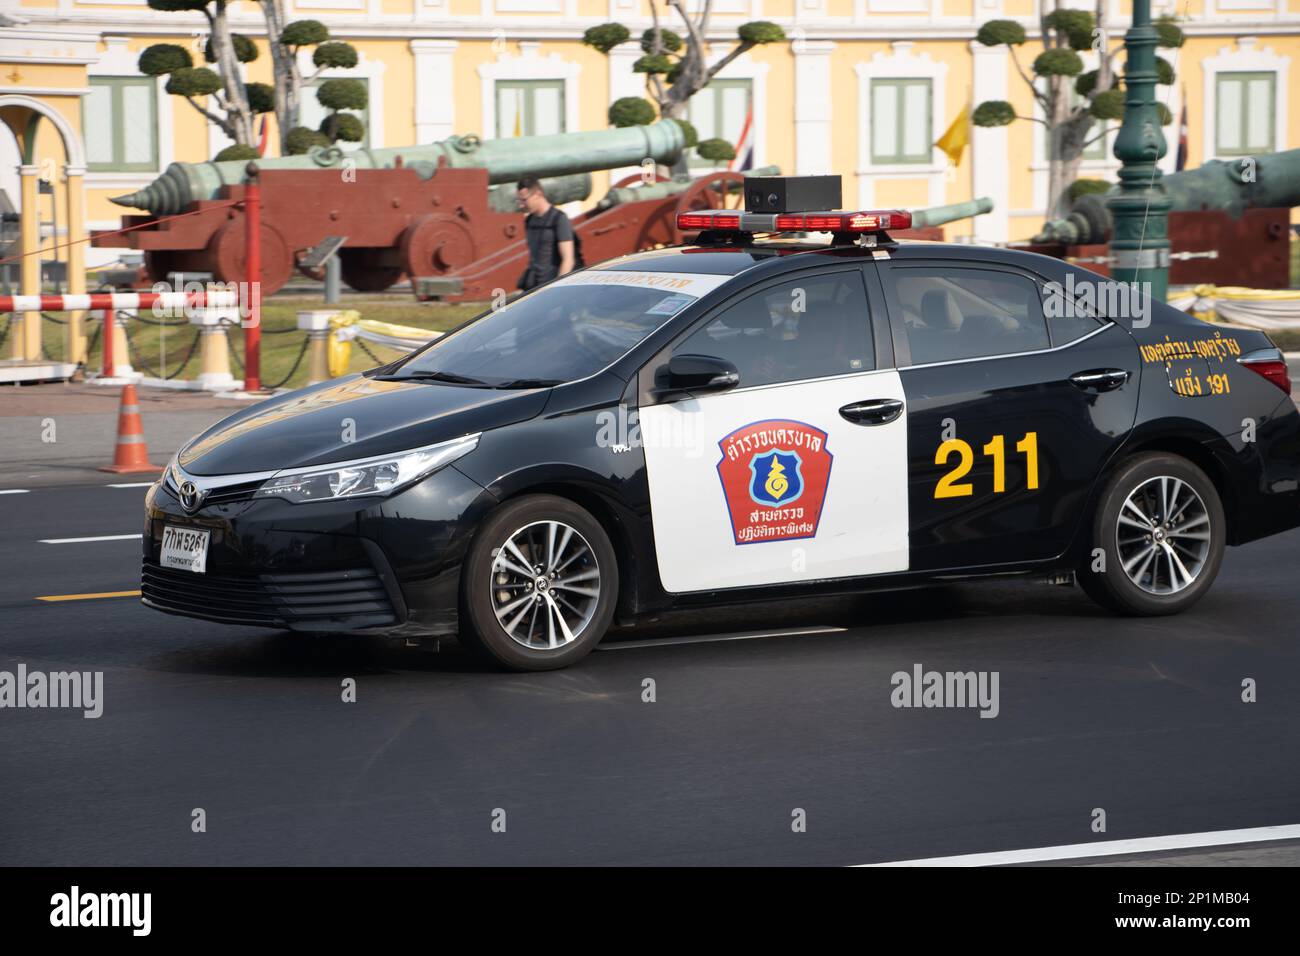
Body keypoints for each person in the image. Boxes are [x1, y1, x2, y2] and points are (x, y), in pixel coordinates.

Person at [516, 175, 577, 291]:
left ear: (538, 194)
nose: (521, 205)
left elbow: (568, 260)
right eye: (519, 200)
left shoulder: (559, 219)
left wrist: (557, 289)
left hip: (552, 287)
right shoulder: (529, 221)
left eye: (524, 200)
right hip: (534, 288)